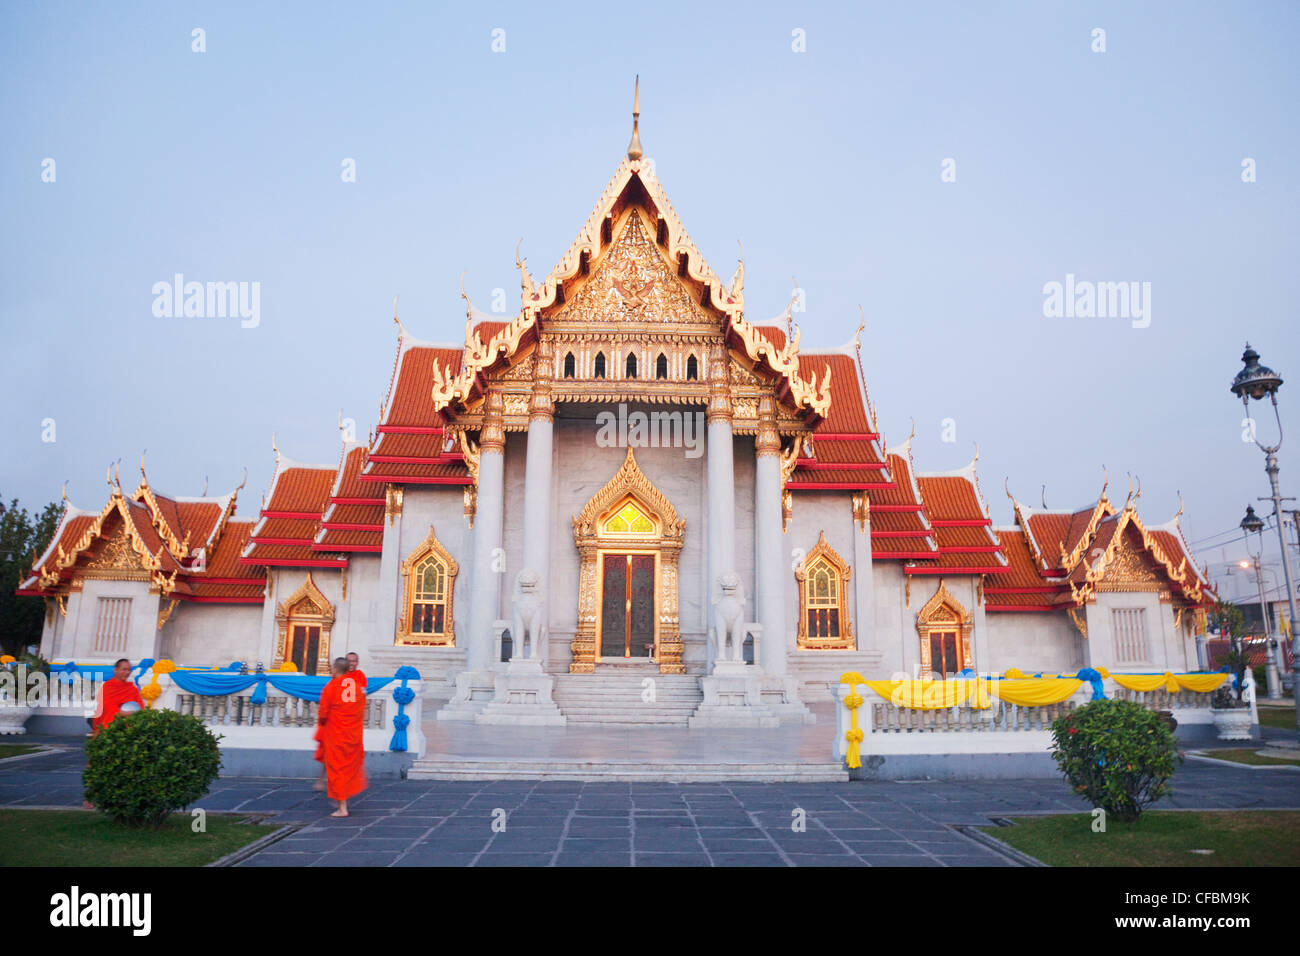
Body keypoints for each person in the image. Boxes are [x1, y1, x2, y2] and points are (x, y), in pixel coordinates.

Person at [83, 658, 145, 808]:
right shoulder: (107, 687)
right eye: (123, 669)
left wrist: (134, 715)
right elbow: (109, 708)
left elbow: (140, 706)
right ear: (115, 670)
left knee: (125, 765)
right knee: (97, 763)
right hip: (106, 730)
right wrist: (126, 714)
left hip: (127, 731)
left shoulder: (131, 688)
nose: (126, 672)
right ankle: (90, 797)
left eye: (129, 669)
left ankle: (121, 798)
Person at [314, 657, 366, 817]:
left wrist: (324, 723)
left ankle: (342, 807)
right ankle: (341, 799)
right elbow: (361, 708)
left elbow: (323, 712)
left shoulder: (331, 687)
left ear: (335, 669)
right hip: (353, 733)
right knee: (349, 767)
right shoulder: (357, 687)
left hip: (336, 733)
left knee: (337, 768)